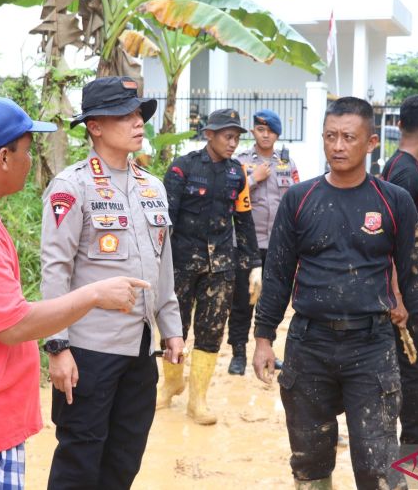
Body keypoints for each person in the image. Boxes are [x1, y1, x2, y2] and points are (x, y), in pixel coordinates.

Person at [0, 96, 148, 489]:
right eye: (27, 150)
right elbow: (13, 324)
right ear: (3, 157)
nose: (31, 160)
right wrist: (92, 295)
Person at [253, 97, 418, 490]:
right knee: (309, 464)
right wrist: (263, 339)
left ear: (371, 142)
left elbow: (415, 279)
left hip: (372, 346)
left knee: (380, 466)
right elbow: (277, 275)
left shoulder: (394, 201)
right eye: (330, 137)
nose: (337, 146)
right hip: (309, 344)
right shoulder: (299, 198)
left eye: (348, 137)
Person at [41, 76, 184, 489]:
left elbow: (163, 268)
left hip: (140, 350)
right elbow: (55, 269)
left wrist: (171, 329)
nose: (138, 122)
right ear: (95, 126)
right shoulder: (73, 186)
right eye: (125, 115)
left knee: (124, 457)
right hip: (89, 350)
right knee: (79, 459)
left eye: (139, 113)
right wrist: (58, 347)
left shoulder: (152, 187)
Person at [160, 108, 261, 425]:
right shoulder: (182, 168)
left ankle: (198, 399)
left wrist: (254, 264)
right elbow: (165, 221)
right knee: (175, 327)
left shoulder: (237, 174)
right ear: (209, 135)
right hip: (181, 263)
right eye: (227, 136)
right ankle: (171, 382)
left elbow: (243, 221)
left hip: (220, 266)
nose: (233, 143)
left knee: (211, 331)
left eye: (236, 137)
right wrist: (158, 263)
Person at [380, 94, 418, 466]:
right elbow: (391, 240)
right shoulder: (406, 173)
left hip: (404, 285)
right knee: (415, 368)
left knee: (405, 367)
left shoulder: (402, 167)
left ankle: (404, 448)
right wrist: (399, 296)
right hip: (404, 288)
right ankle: (414, 453)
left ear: (400, 125)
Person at [227, 109, 299, 375]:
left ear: (277, 134)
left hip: (279, 243)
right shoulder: (241, 161)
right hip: (247, 243)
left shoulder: (287, 163)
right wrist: (253, 179)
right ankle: (237, 354)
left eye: (269, 130)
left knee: (272, 301)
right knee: (243, 301)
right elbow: (230, 193)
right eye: (260, 129)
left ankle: (267, 349)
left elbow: (295, 199)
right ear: (254, 131)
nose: (265, 134)